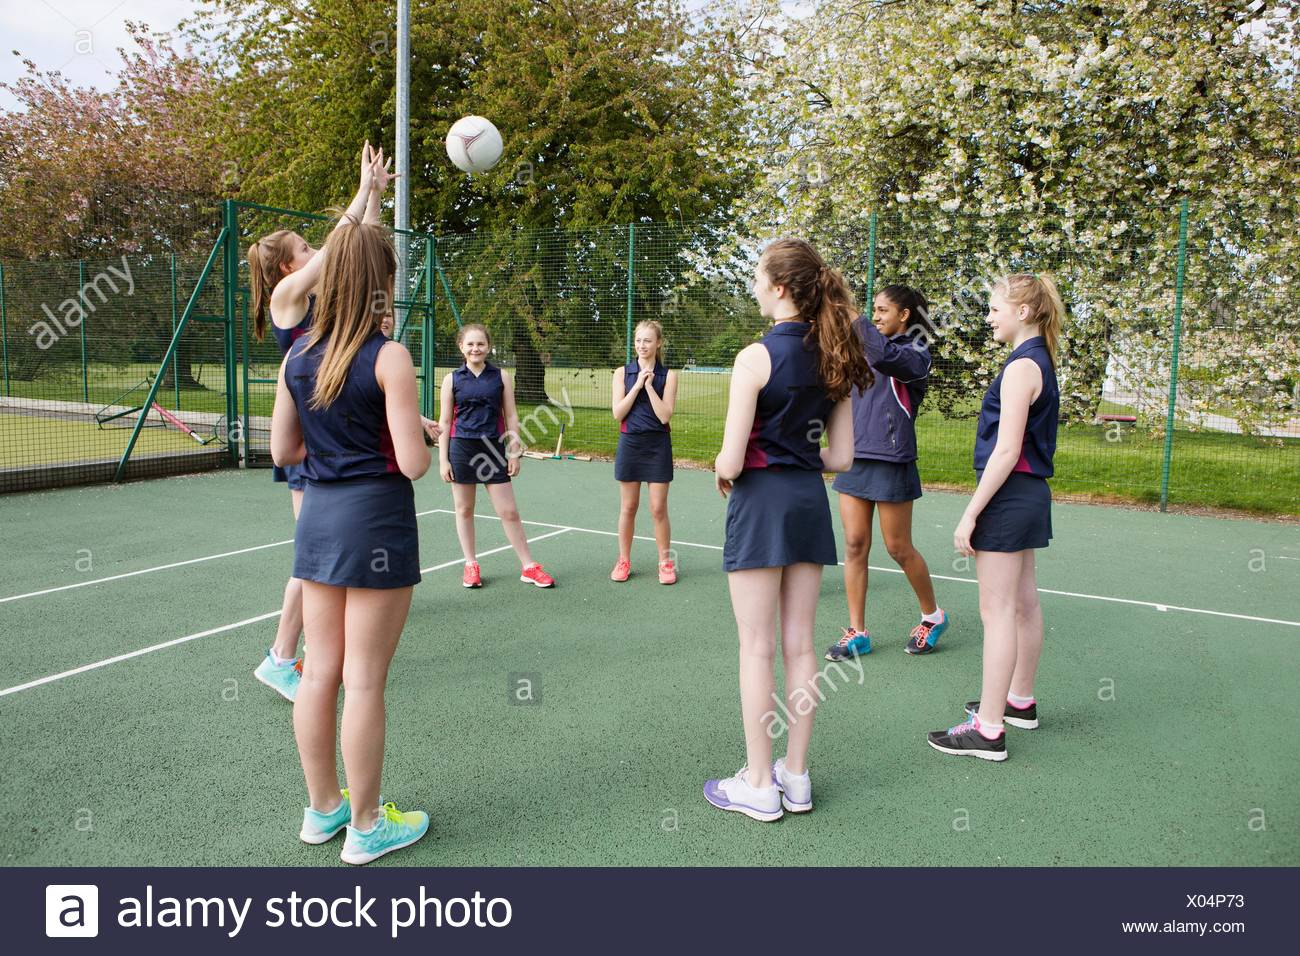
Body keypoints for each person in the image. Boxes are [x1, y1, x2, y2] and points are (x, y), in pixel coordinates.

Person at [271, 216, 432, 863]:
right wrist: (419, 433)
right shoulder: (389, 355)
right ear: (381, 283)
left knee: (319, 676)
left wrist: (336, 445)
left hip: (318, 521)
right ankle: (367, 826)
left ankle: (323, 810)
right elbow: (413, 462)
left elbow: (283, 448)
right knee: (363, 681)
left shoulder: (298, 355)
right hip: (375, 523)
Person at [704, 239, 869, 821]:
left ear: (778, 288)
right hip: (806, 503)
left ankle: (758, 783)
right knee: (800, 645)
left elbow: (728, 461)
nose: (753, 286)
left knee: (757, 646)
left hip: (761, 503)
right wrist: (799, 461)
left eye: (757, 278)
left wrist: (734, 469)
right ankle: (795, 778)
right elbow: (843, 458)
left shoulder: (755, 357)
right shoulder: (835, 355)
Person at [250, 141, 394, 701]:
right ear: (289, 265)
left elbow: (359, 255)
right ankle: (283, 657)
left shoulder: (324, 301)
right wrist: (362, 189)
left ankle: (298, 654)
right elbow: (342, 249)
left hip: (333, 439)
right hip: (312, 444)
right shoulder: (288, 298)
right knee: (312, 558)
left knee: (317, 555)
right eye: (303, 246)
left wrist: (375, 200)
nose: (315, 249)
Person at [927, 274, 1062, 762]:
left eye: (995, 308)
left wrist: (970, 513)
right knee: (1023, 603)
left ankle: (987, 729)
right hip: (1028, 495)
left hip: (1008, 496)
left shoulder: (1022, 367)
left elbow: (1006, 450)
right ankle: (1018, 701)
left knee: (998, 612)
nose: (989, 317)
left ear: (1024, 311)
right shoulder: (1038, 359)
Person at [826, 284, 948, 662]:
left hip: (892, 461)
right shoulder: (866, 348)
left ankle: (933, 616)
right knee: (854, 545)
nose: (875, 316)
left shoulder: (916, 355)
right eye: (872, 310)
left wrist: (854, 318)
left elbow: (883, 357)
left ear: (905, 316)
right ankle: (857, 632)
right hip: (856, 461)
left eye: (881, 310)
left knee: (898, 547)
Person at [437, 324, 555, 589]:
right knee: (464, 509)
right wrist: (443, 459)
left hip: (493, 449)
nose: (475, 349)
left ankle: (528, 566)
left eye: (480, 344)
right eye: (470, 344)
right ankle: (471, 565)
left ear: (488, 347)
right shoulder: (451, 379)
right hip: (462, 448)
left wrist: (514, 451)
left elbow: (510, 416)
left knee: (509, 511)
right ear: (461, 347)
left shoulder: (501, 376)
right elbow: (444, 421)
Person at [610, 320, 679, 583]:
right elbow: (618, 413)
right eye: (638, 340)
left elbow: (664, 416)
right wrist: (637, 384)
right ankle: (624, 561)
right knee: (628, 506)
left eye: (647, 341)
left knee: (658, 508)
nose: (642, 346)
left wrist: (649, 386)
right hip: (630, 444)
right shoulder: (622, 373)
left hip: (658, 445)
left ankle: (664, 563)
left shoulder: (669, 376)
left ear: (658, 343)